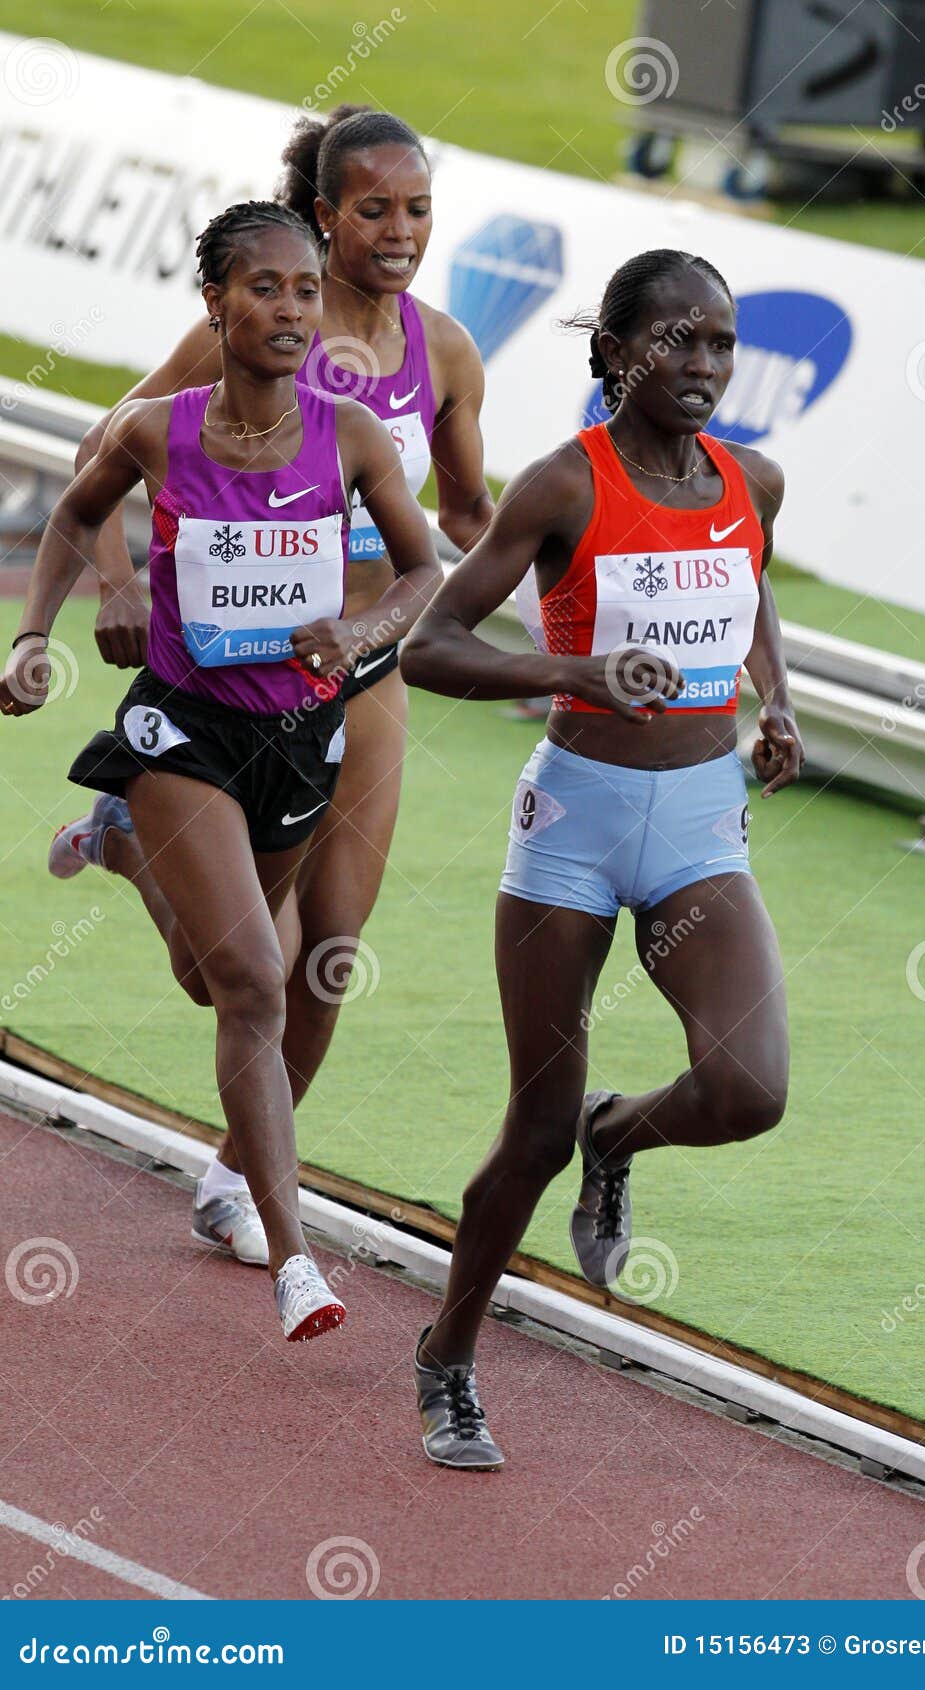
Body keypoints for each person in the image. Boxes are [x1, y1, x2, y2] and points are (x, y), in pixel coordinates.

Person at [56, 106, 493, 1259]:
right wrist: (116, 577)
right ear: (322, 216)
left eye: (417, 212)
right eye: (374, 211)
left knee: (332, 950)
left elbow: (460, 515)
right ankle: (128, 830)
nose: (398, 234)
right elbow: (109, 449)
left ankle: (238, 1176)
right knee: (230, 976)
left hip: (359, 667)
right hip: (219, 675)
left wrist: (528, 560)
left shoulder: (442, 352)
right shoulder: (258, 318)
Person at [3, 200, 442, 1340]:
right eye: (264, 289)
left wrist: (359, 637)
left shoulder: (351, 439)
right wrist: (61, 618)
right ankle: (296, 1256)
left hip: (300, 732)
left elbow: (420, 572)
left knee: (212, 981)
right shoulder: (158, 428)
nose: (290, 309)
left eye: (304, 291)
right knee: (254, 981)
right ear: (216, 304)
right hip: (181, 728)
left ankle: (112, 842)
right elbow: (70, 516)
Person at [399, 248, 805, 1468]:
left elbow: (748, 589)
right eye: (675, 341)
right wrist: (567, 671)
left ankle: (617, 1134)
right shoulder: (558, 489)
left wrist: (772, 698)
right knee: (526, 1135)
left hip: (696, 818)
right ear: (616, 351)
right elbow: (430, 646)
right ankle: (447, 1356)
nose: (701, 366)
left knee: (748, 1090)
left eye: (720, 344)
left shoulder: (754, 482)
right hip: (572, 823)